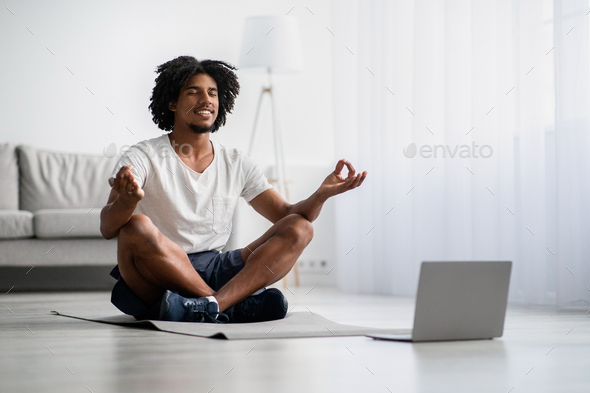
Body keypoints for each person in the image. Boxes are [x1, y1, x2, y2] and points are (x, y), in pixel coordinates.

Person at [100, 56, 367, 323]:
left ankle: (210, 305)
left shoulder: (235, 161)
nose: (206, 99)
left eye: (212, 93)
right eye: (193, 92)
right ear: (172, 103)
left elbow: (286, 214)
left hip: (216, 265)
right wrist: (127, 201)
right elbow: (108, 227)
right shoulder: (143, 155)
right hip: (159, 270)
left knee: (301, 227)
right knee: (135, 226)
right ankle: (226, 304)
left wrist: (321, 195)